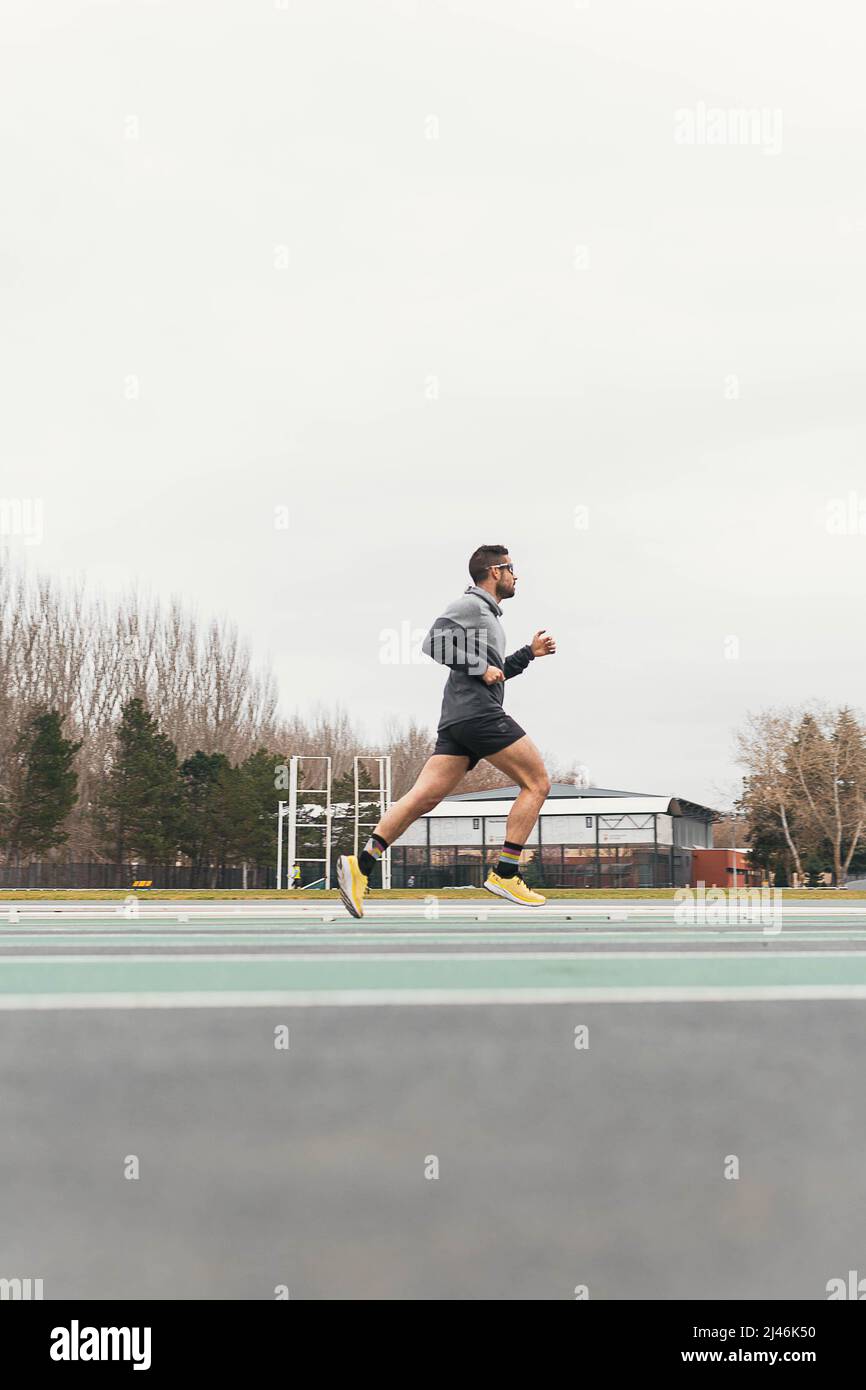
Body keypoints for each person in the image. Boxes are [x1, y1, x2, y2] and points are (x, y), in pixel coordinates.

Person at [337, 545, 555, 917]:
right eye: (512, 568)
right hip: (478, 715)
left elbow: (495, 671)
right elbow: (432, 642)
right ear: (494, 572)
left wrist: (527, 655)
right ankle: (505, 872)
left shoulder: (487, 617)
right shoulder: (471, 604)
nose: (517, 576)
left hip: (458, 720)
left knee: (422, 797)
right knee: (538, 783)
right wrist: (477, 668)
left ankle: (361, 865)